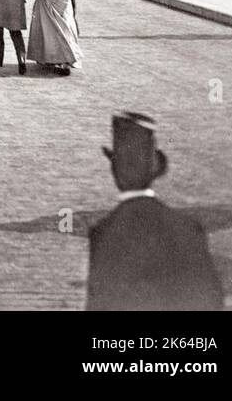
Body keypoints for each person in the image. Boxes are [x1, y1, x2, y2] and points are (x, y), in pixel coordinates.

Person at [87, 112, 223, 310]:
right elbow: (211, 299)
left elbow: (100, 304)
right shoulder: (188, 227)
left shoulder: (104, 233)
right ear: (155, 170)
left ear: (114, 172)